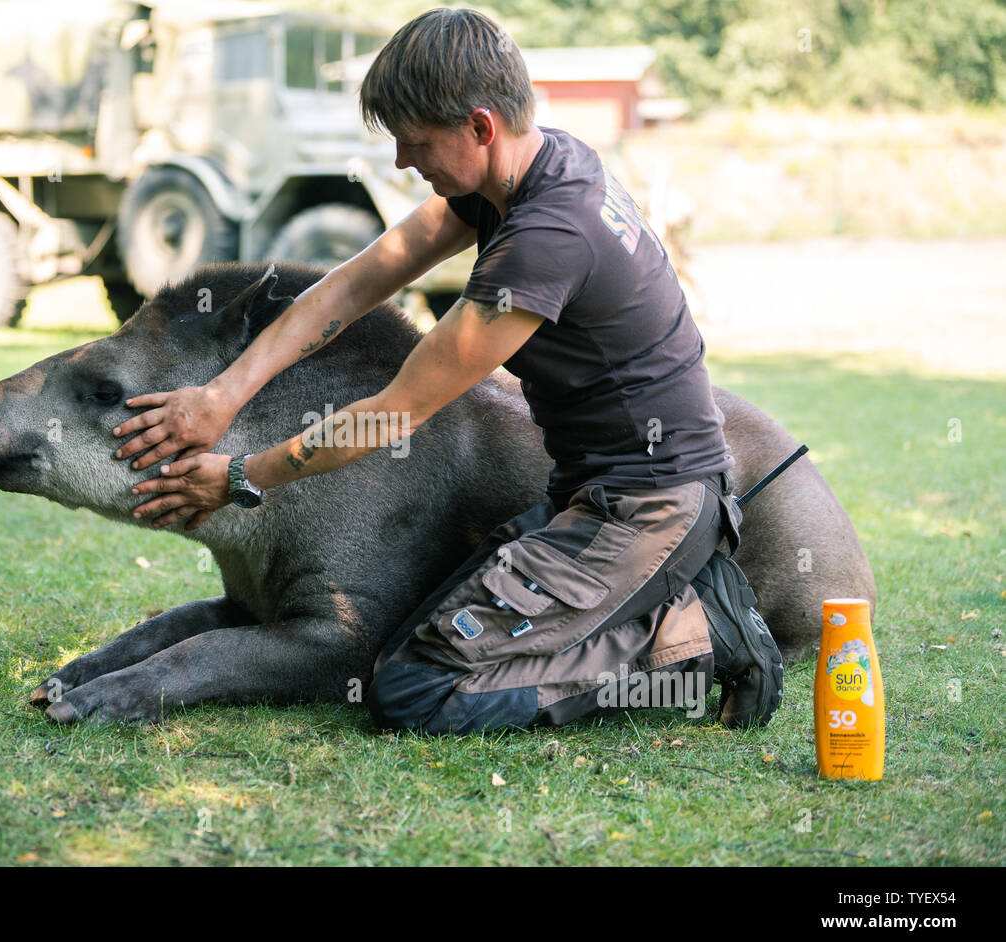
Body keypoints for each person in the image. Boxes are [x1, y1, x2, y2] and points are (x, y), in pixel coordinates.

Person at [112, 8, 783, 734]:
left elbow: (392, 413)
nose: (404, 160)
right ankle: (656, 614)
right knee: (404, 640)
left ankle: (693, 646)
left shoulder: (547, 236)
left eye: (417, 140)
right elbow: (356, 283)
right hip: (586, 495)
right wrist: (223, 393)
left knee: (413, 693)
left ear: (480, 127)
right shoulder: (527, 166)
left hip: (648, 507)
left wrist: (241, 477)